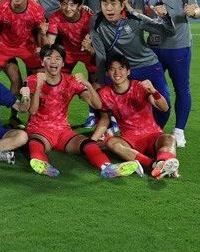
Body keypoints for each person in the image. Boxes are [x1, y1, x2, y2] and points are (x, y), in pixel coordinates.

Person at [25, 45, 139, 178]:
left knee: (88, 143)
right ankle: (41, 164)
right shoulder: (32, 80)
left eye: (58, 58)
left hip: (63, 131)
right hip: (39, 129)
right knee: (36, 144)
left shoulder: (70, 81)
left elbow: (96, 105)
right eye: (48, 58)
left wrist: (89, 85)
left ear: (63, 62)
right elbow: (32, 111)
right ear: (41, 61)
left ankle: (107, 167)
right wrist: (39, 86)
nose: (53, 62)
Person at [134, 0, 200, 147]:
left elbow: (197, 11)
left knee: (181, 88)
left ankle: (179, 131)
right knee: (148, 89)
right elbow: (138, 17)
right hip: (153, 48)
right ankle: (149, 125)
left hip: (178, 46)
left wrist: (193, 13)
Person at [88, 0, 175, 127]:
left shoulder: (135, 18)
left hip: (148, 66)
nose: (109, 8)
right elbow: (100, 54)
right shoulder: (96, 21)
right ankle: (110, 132)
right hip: (121, 70)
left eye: (113, 4)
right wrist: (99, 80)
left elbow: (168, 32)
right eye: (105, 4)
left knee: (164, 103)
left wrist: (165, 17)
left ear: (122, 5)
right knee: (102, 98)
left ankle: (155, 131)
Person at [92, 56, 181, 179]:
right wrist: (91, 142)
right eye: (112, 69)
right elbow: (104, 120)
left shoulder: (140, 86)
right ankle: (156, 164)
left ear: (128, 71)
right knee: (112, 143)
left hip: (152, 134)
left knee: (169, 139)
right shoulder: (104, 93)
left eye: (121, 68)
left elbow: (164, 108)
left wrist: (153, 91)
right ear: (107, 73)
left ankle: (163, 161)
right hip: (129, 139)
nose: (117, 73)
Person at [0, 0, 46, 127]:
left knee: (40, 79)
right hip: (4, 46)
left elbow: (40, 32)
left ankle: (22, 117)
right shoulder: (0, 8)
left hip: (27, 47)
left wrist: (41, 47)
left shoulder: (36, 10)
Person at [44, 0, 95, 77]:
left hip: (88, 52)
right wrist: (43, 36)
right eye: (64, 4)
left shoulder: (89, 16)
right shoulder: (55, 17)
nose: (68, 8)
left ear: (79, 6)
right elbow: (50, 41)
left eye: (72, 5)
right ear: (60, 4)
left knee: (95, 81)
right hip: (68, 53)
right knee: (60, 80)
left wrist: (90, 48)